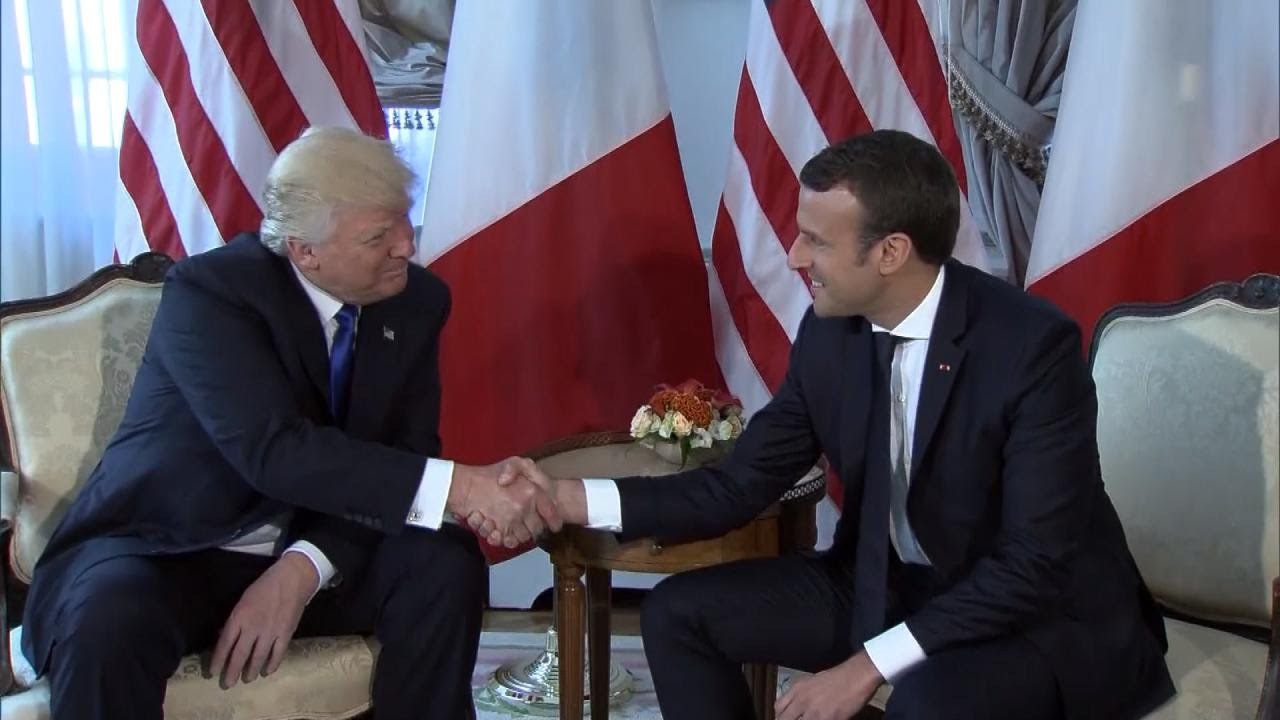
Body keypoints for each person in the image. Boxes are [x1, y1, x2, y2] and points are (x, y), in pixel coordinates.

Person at [479, 130, 1175, 719]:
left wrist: (866, 665)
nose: (794, 259)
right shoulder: (831, 332)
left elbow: (1032, 565)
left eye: (816, 241)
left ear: (891, 252)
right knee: (678, 615)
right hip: (885, 583)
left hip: (1033, 618)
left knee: (927, 702)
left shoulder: (1031, 348)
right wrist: (575, 500)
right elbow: (739, 484)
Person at [21, 127, 558, 720]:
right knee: (106, 620)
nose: (406, 245)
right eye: (379, 236)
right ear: (305, 250)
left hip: (314, 542)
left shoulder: (416, 300)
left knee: (444, 561)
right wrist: (460, 485)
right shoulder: (213, 294)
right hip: (170, 546)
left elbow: (403, 451)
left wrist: (302, 569)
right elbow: (276, 450)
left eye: (404, 222)